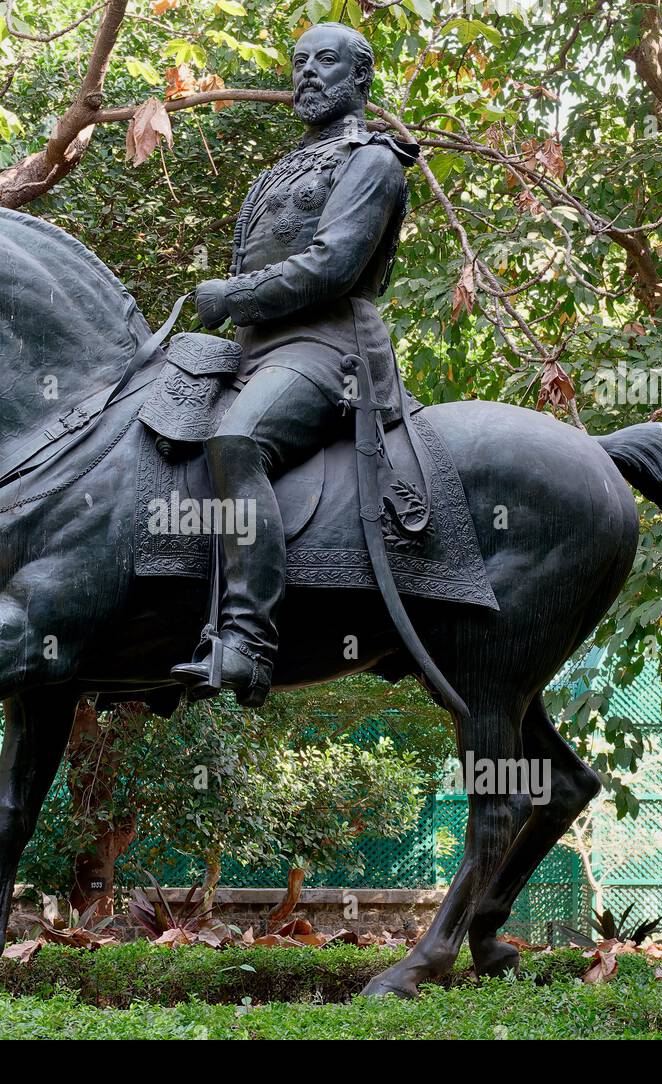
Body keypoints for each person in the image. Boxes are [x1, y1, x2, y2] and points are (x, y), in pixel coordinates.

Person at [170, 21, 416, 707]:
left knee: (235, 439)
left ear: (360, 78)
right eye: (299, 62)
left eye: (325, 62)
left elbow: (333, 266)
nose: (307, 73)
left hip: (329, 350)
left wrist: (233, 296)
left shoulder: (372, 160)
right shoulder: (282, 167)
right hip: (253, 350)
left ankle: (247, 641)